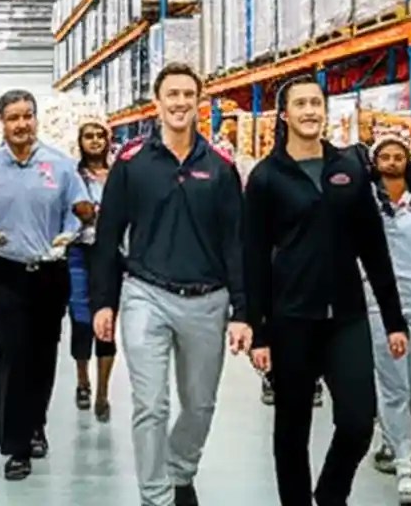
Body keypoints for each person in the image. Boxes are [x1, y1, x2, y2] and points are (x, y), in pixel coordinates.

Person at [242, 76, 409, 506]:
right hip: (291, 318)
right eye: (300, 104)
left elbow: (374, 248)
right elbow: (253, 258)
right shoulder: (266, 177)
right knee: (292, 428)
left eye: (316, 103)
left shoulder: (348, 169)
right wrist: (259, 331)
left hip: (346, 317)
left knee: (358, 420)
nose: (310, 111)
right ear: (284, 114)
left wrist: (394, 320)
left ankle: (331, 494)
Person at [90, 62, 248, 506]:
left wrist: (242, 310)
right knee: (151, 405)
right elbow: (107, 235)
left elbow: (235, 242)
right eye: (172, 95)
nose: (180, 103)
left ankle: (180, 472)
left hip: (207, 300)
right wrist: (104, 301)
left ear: (200, 102)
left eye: (188, 95)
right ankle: (156, 496)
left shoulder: (220, 167)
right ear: (156, 103)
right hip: (146, 294)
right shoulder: (132, 163)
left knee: (199, 405)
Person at [0, 89, 94, 481]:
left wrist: (70, 232)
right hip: (3, 273)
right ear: (2, 123)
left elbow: (81, 210)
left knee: (42, 354)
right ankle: (16, 446)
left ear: (36, 119)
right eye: (13, 117)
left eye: (27, 116)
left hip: (49, 274)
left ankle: (36, 422)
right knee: (13, 353)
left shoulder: (61, 165)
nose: (21, 124)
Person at [365, 135, 411, 504]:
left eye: (398, 156)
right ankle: (403, 464)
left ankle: (393, 437)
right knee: (394, 385)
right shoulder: (364, 199)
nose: (392, 162)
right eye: (385, 156)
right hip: (377, 303)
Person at [67, 118, 117, 422]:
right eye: (89, 136)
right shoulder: (72, 176)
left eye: (100, 135)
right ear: (81, 142)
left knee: (107, 321)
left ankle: (103, 392)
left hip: (110, 255)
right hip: (78, 252)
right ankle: (83, 380)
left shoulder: (119, 175)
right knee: (81, 318)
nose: (96, 140)